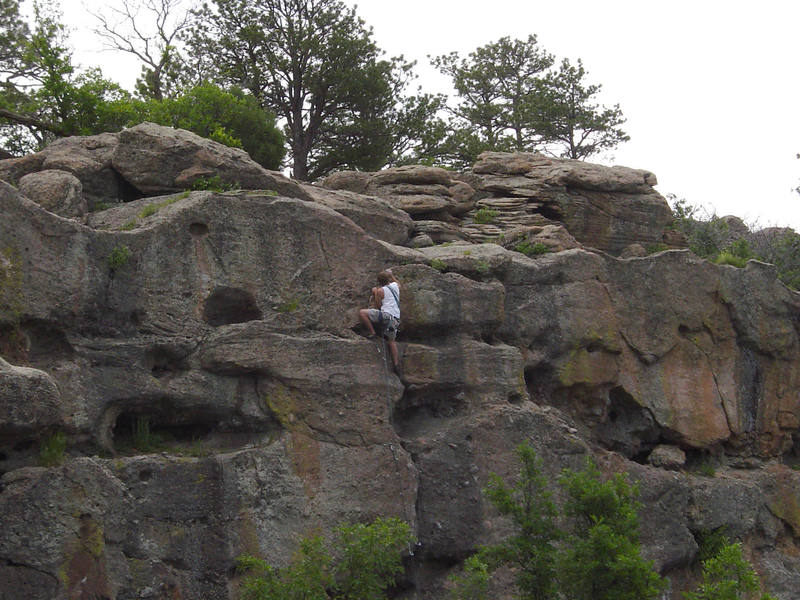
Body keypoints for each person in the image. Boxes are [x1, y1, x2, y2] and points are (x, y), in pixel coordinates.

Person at [359, 269, 402, 375]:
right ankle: (396, 364)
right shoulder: (395, 286)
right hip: (395, 318)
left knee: (362, 313)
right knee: (391, 341)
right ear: (388, 279)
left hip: (385, 316)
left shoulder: (380, 291)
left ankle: (372, 332)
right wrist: (391, 275)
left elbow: (379, 306)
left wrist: (375, 293)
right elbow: (398, 283)